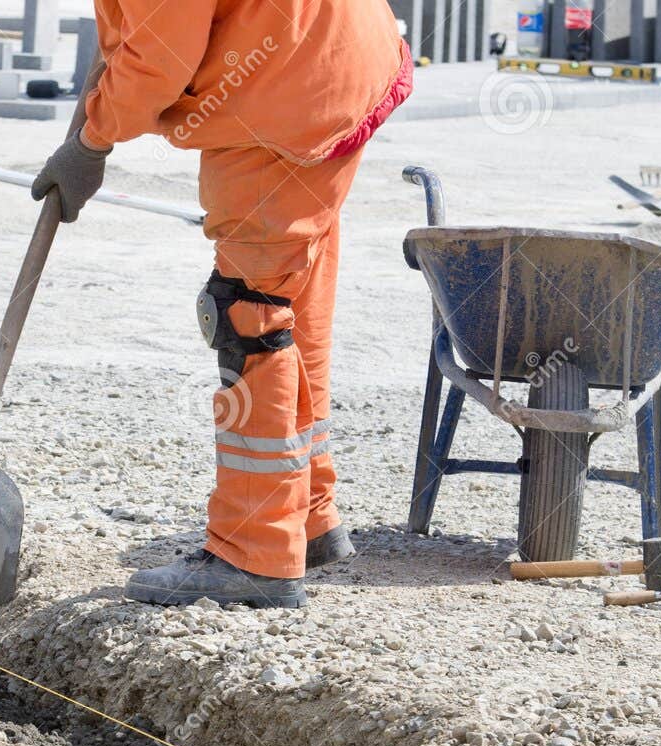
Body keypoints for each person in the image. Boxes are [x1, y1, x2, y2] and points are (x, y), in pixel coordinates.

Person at [31, 1, 413, 610]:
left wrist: (91, 140)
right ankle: (307, 516)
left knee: (248, 310)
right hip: (331, 63)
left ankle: (254, 551)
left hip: (287, 86)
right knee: (294, 297)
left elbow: (160, 57)